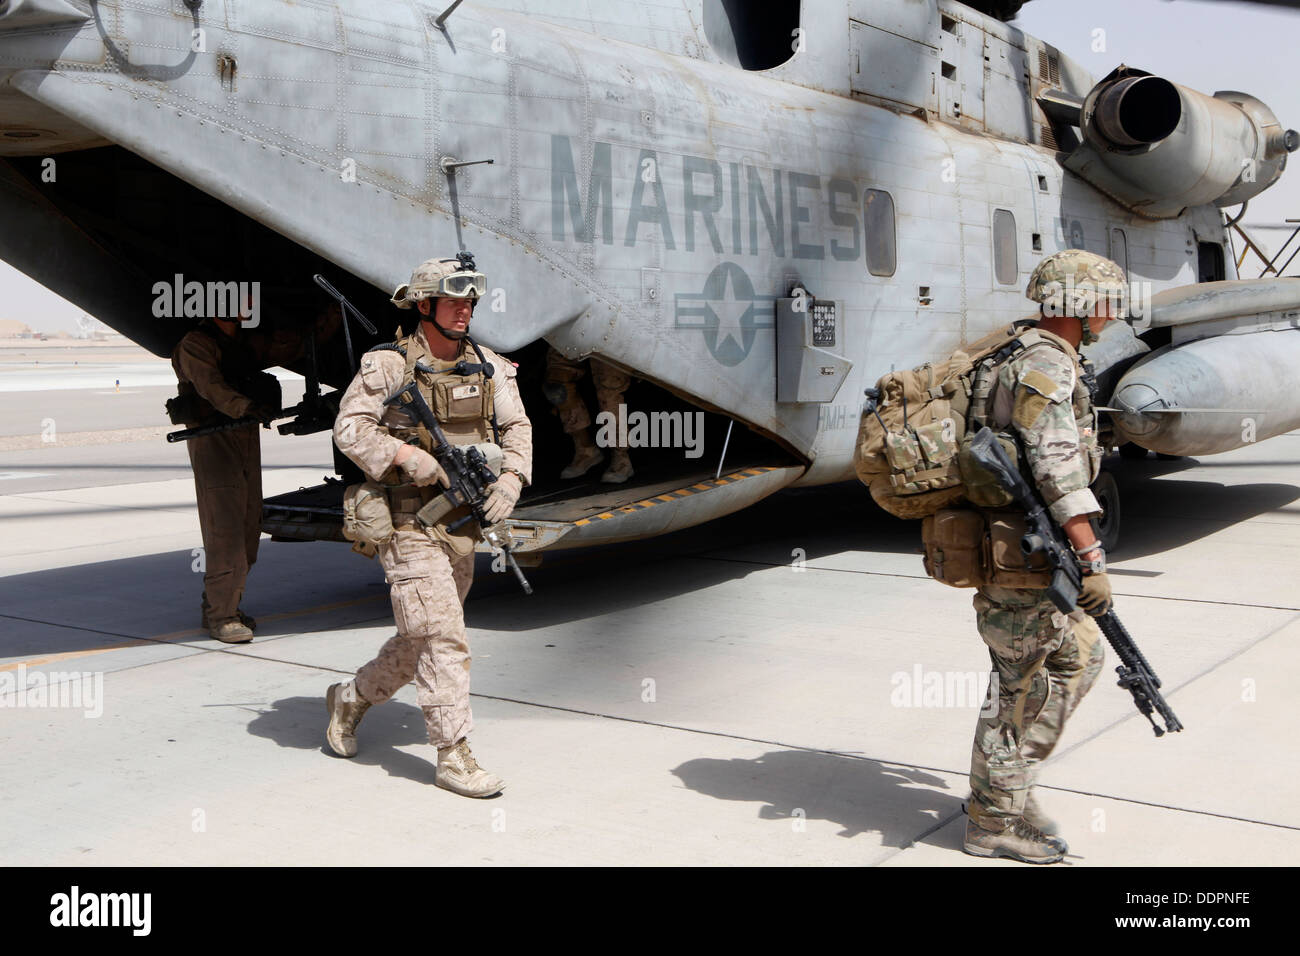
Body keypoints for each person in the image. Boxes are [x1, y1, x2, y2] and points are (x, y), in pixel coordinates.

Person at [325, 254, 532, 798]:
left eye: (470, 302)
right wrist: (409, 458)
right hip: (404, 520)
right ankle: (453, 754)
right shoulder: (389, 366)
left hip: (458, 521)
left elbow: (516, 427)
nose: (465, 311)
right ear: (425, 305)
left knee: (420, 639)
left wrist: (512, 480)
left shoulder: (488, 366)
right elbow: (350, 429)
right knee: (444, 635)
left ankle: (353, 696)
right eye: (453, 301)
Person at [961, 250, 1128, 864]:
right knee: (1018, 693)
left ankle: (1008, 787)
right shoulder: (1044, 368)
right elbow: (1059, 472)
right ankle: (990, 823)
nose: (1114, 315)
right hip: (1026, 557)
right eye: (1107, 302)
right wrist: (1093, 558)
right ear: (1080, 307)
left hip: (1030, 552)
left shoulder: (1030, 354)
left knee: (1078, 657)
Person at [170, 315, 279, 644]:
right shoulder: (196, 343)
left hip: (243, 434)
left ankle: (219, 604)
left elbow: (284, 346)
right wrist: (245, 406)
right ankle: (223, 617)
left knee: (248, 528)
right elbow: (211, 387)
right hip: (214, 439)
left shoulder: (244, 341)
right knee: (225, 531)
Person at [544, 349, 634, 483]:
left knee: (609, 389)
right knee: (556, 385)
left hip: (608, 332)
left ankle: (621, 457)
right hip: (566, 331)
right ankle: (586, 450)